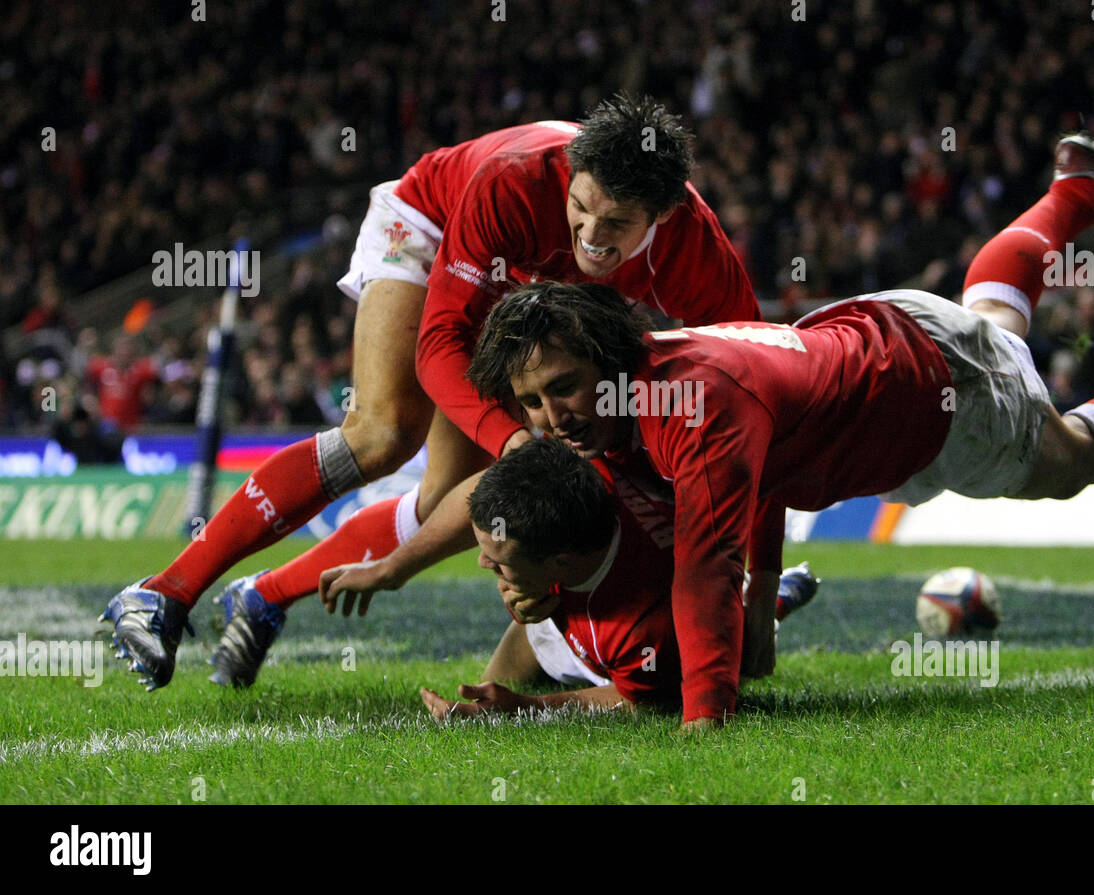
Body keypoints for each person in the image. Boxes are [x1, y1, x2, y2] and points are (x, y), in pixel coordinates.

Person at [447, 135, 1094, 728]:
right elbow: (760, 476)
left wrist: (705, 718)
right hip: (882, 340)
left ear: (604, 358)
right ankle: (1075, 194)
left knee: (1071, 461)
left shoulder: (688, 403)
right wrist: (759, 605)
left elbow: (704, 563)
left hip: (933, 397)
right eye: (531, 403)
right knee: (995, 322)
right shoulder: (643, 392)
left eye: (561, 389)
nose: (551, 419)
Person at [102, 95, 767, 691]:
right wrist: (513, 444)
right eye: (581, 207)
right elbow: (439, 346)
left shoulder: (699, 257)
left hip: (531, 293)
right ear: (568, 171)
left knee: (441, 503)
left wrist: (758, 590)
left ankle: (263, 597)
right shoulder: (514, 182)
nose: (592, 235)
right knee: (384, 432)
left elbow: (764, 425)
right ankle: (162, 593)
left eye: (617, 223)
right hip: (428, 225)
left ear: (666, 215)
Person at [317, 438, 817, 718]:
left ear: (560, 564)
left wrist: (525, 710)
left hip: (669, 635)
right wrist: (390, 568)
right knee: (519, 638)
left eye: (499, 558)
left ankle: (771, 603)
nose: (482, 564)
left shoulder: (647, 633)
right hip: (597, 583)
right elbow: (480, 493)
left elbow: (635, 702)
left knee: (735, 653)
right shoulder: (584, 477)